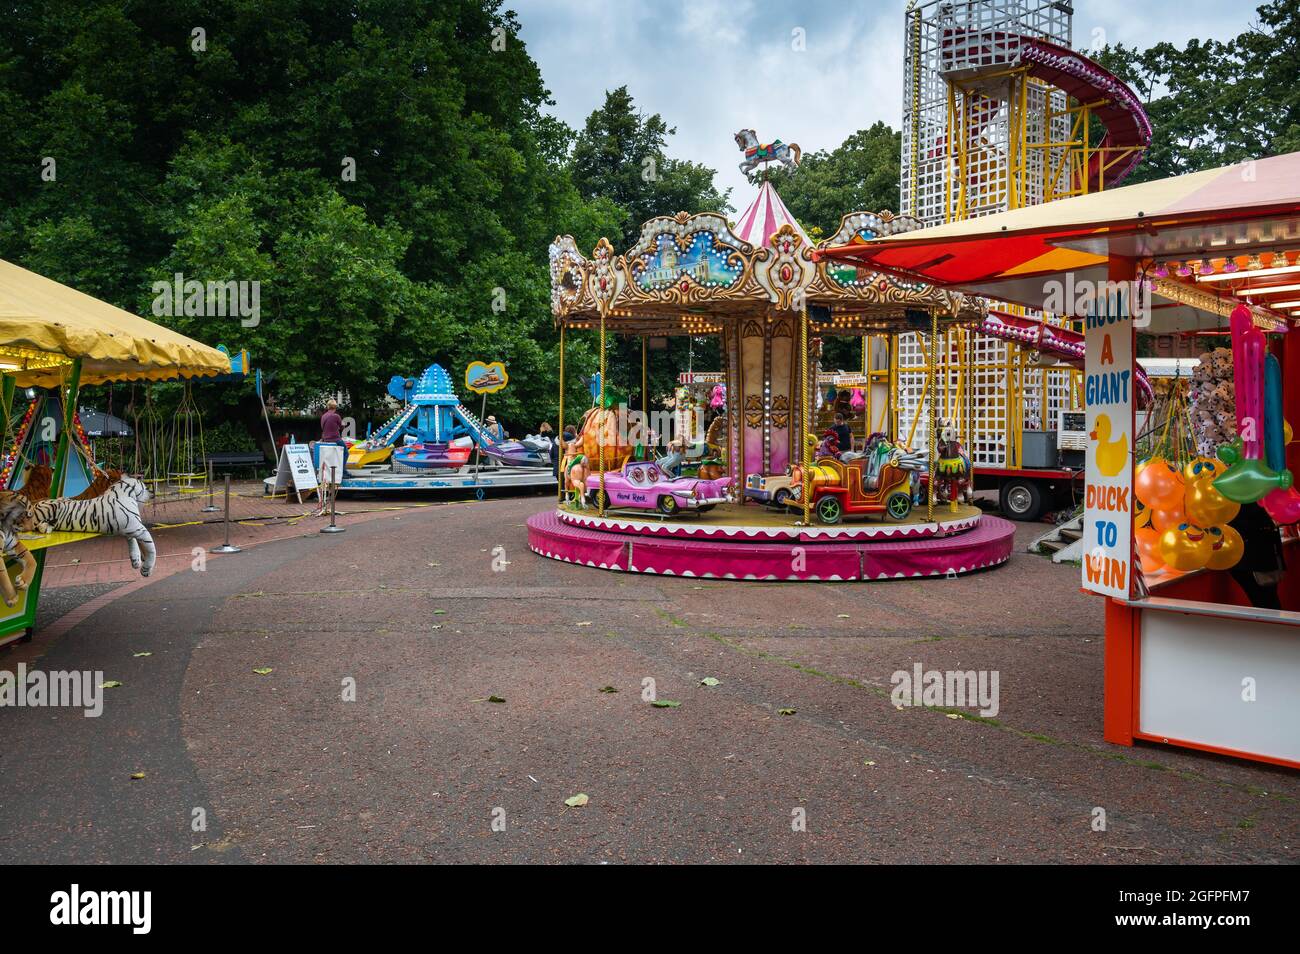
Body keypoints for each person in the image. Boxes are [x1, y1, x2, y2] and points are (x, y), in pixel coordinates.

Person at [1228, 502, 1286, 609]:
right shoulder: (1253, 497)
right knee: (1267, 602)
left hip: (1251, 556)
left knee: (1266, 601)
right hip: (1255, 557)